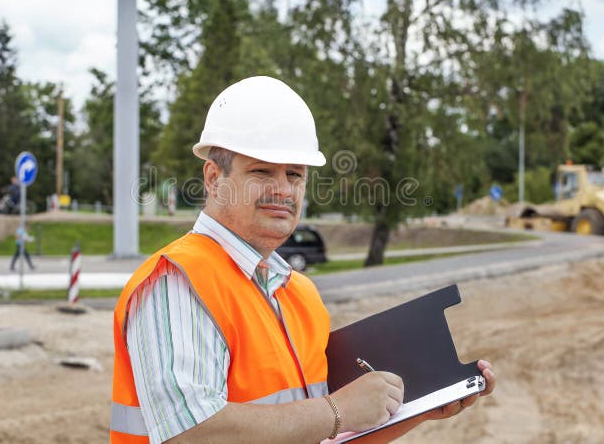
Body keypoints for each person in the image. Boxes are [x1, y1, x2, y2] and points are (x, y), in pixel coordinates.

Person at [110, 76, 496, 443]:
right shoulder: (179, 281)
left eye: (294, 174)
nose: (282, 190)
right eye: (261, 171)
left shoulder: (300, 295)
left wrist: (415, 410)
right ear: (213, 178)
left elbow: (314, 431)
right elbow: (189, 433)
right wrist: (337, 410)